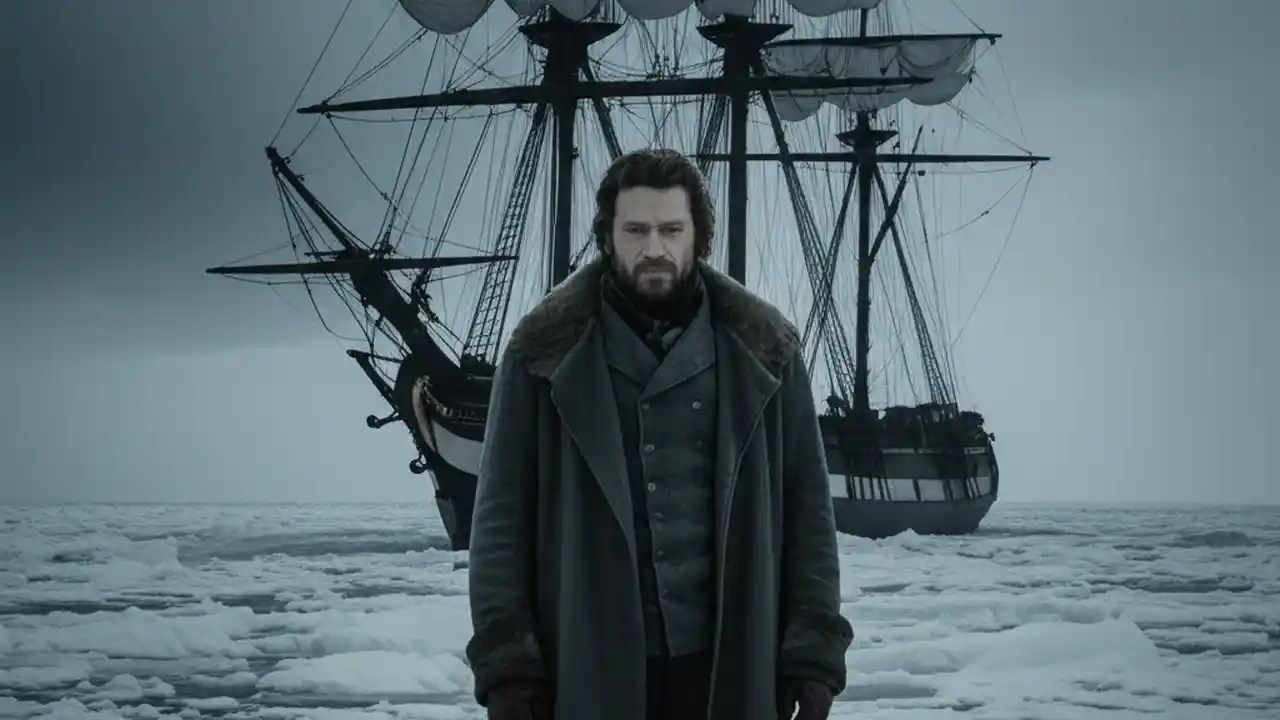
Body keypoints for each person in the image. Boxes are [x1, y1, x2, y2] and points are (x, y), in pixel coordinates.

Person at [465, 148, 853, 720]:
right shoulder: (539, 356)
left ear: (698, 236)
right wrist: (508, 669)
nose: (654, 248)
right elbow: (501, 524)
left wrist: (812, 655)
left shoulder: (767, 352)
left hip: (731, 658)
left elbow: (809, 516)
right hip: (588, 661)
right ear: (607, 236)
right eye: (636, 230)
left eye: (671, 229)